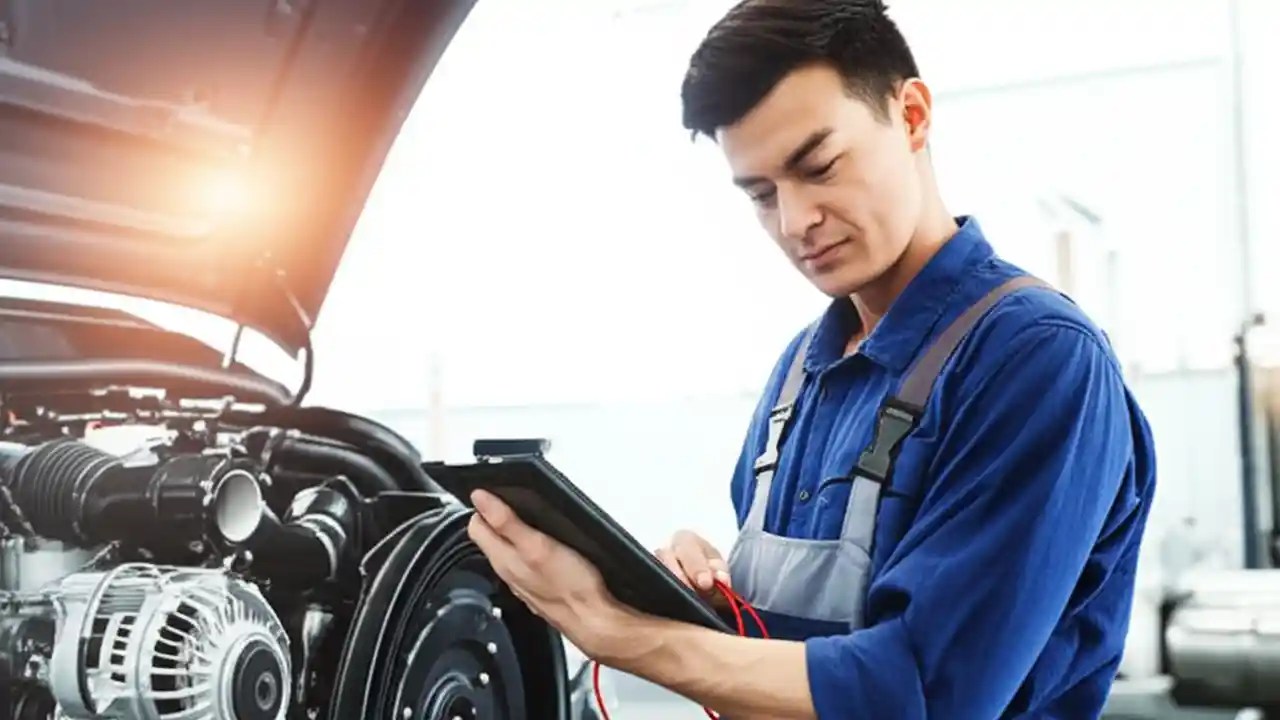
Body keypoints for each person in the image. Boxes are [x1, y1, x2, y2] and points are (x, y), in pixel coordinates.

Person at [465, 1, 1158, 718]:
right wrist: (710, 603)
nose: (795, 222)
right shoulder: (802, 372)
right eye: (762, 195)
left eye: (819, 167)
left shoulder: (1037, 360)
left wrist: (625, 634)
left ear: (912, 116)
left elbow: (930, 691)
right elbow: (798, 656)